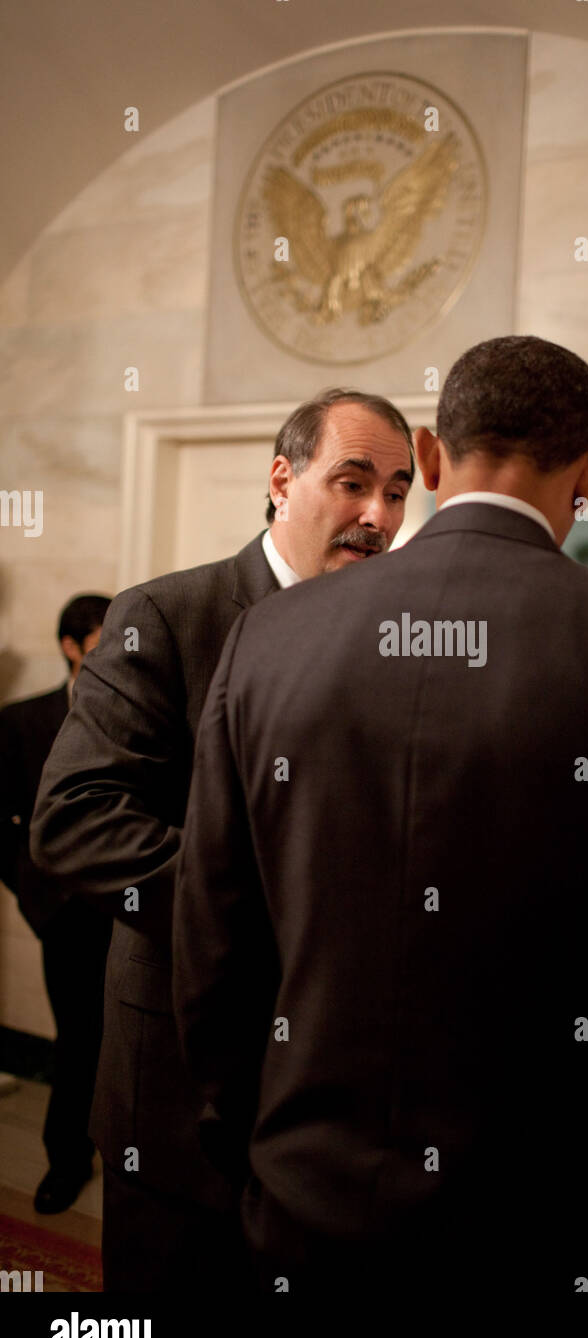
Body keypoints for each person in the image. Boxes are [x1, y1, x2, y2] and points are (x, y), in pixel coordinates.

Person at [173, 337, 588, 1307]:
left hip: (300, 1207)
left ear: (431, 454)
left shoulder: (269, 636)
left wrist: (251, 1148)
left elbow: (212, 942)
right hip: (546, 1231)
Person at [30, 389, 414, 1290]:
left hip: (337, 1097)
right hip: (178, 1087)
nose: (379, 516)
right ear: (282, 479)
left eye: (398, 491)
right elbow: (75, 820)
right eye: (353, 482)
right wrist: (273, 904)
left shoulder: (394, 637)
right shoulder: (164, 616)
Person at [0, 595, 112, 1214]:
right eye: (101, 639)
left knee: (128, 1039)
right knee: (75, 1039)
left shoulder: (144, 714)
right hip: (64, 916)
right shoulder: (21, 722)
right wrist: (37, 897)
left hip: (131, 910)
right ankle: (66, 1162)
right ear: (71, 647)